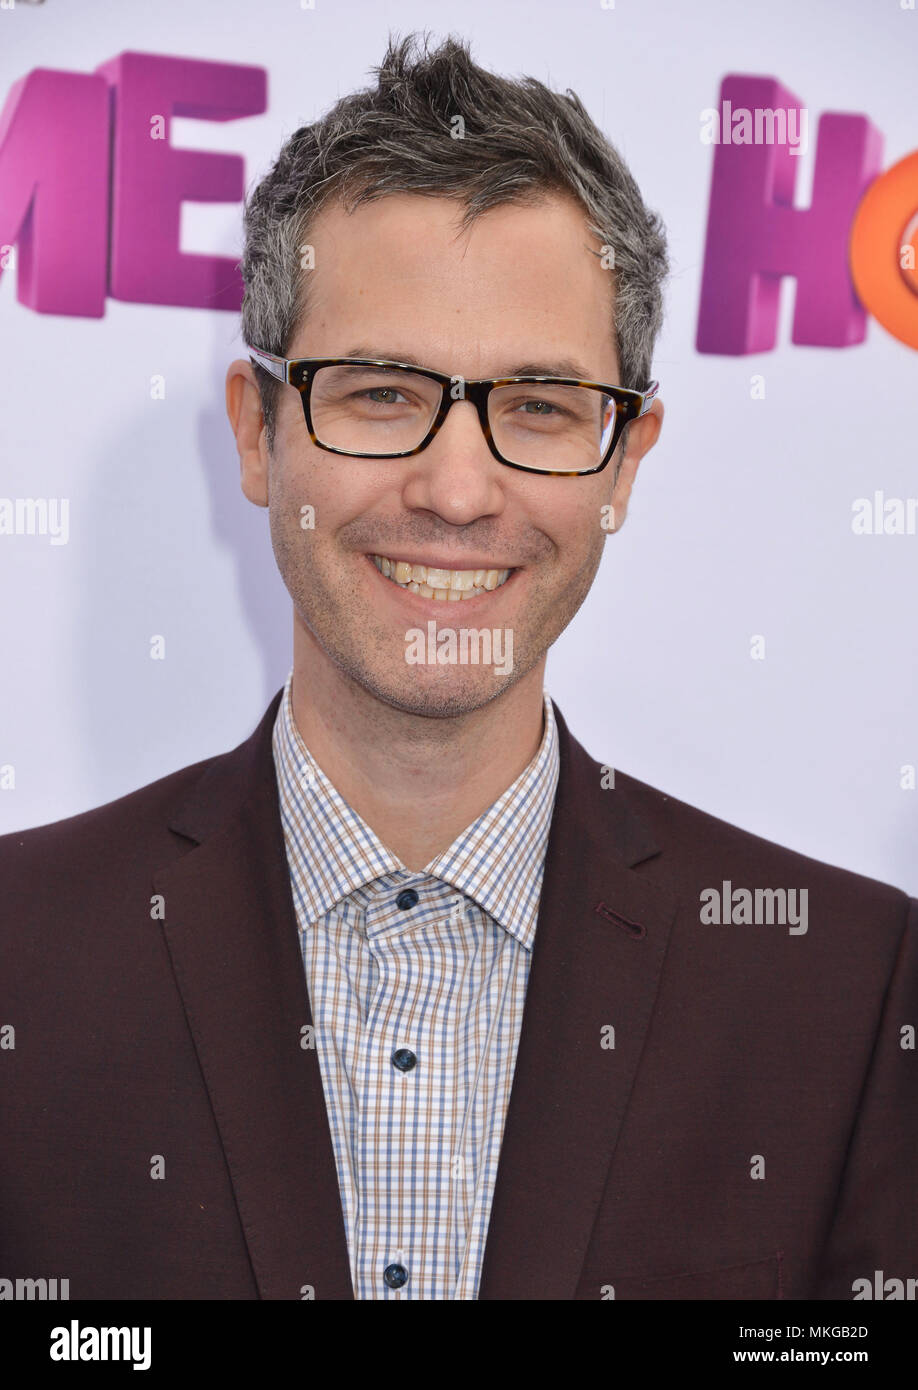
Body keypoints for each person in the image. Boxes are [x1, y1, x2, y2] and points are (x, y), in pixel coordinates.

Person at [2, 32, 915, 1303]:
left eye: (538, 405)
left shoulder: (853, 984)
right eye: (380, 392)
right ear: (257, 434)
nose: (455, 488)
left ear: (627, 461)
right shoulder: (20, 950)